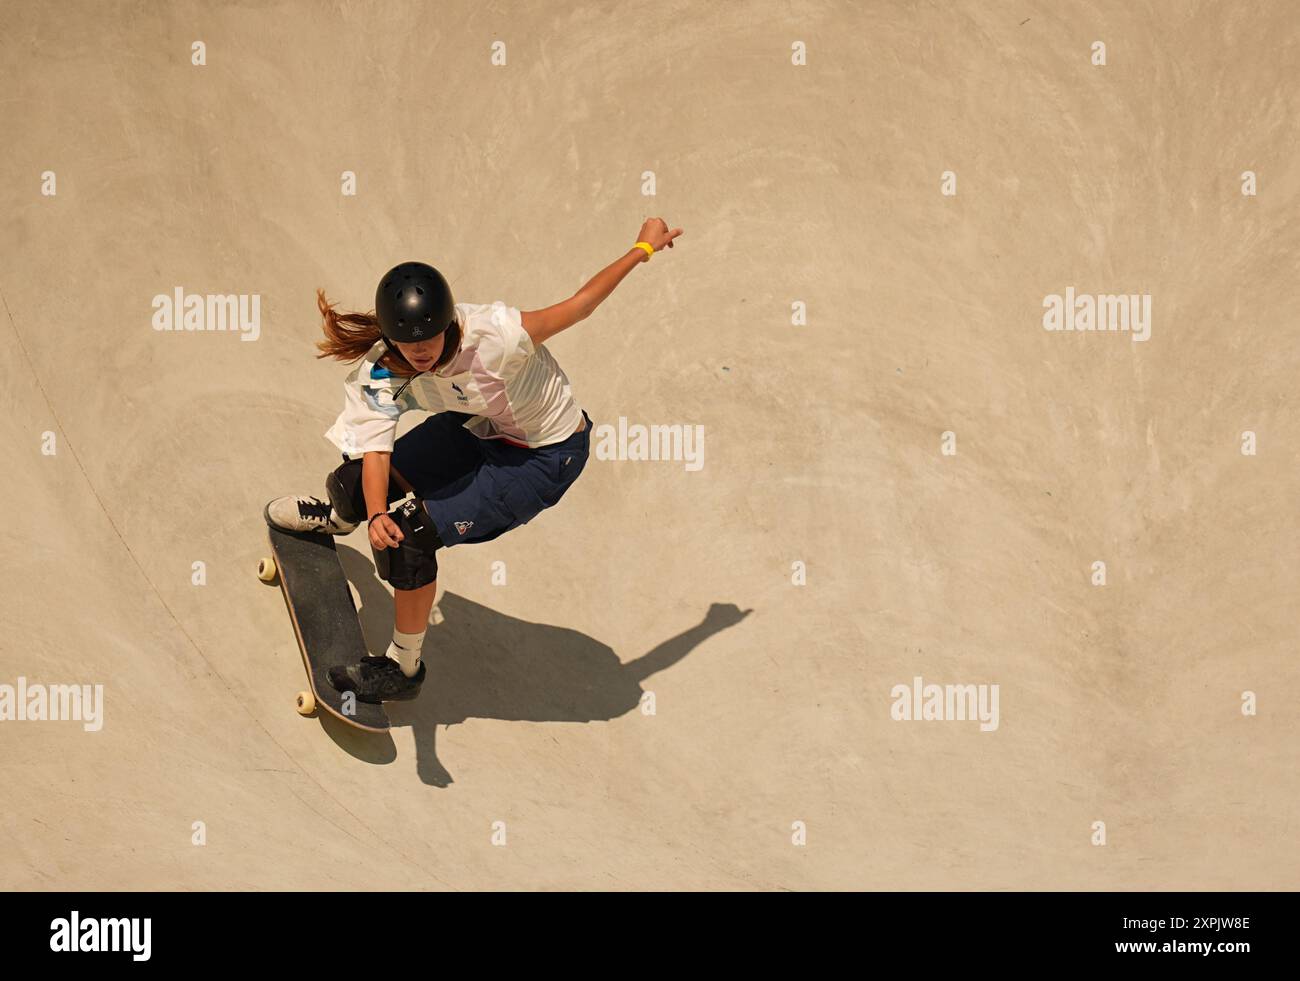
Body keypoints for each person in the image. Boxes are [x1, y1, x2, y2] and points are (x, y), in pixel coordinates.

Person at [265, 218, 683, 704]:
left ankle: (403, 668)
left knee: (410, 538)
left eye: (431, 340)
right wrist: (373, 513)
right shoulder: (379, 371)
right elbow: (376, 448)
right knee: (356, 482)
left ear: (449, 326)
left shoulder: (497, 336)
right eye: (408, 344)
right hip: (479, 426)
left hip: (544, 455)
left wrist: (643, 248)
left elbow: (581, 305)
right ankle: (337, 522)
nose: (421, 353)